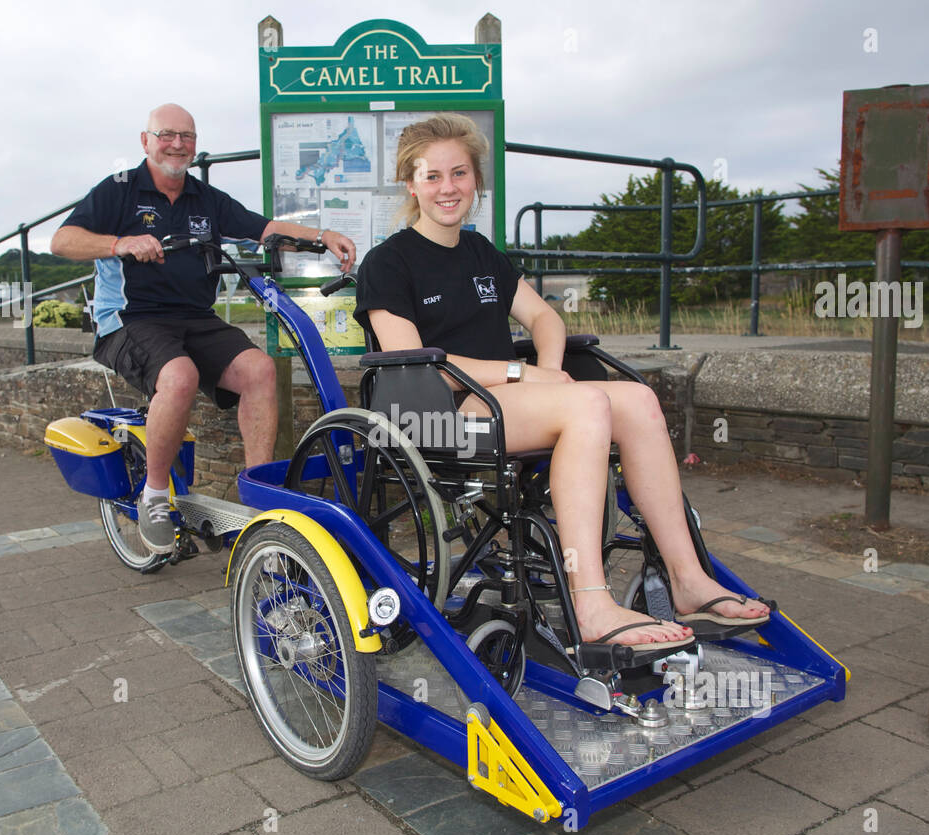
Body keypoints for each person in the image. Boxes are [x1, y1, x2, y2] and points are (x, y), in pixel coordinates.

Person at [353, 114, 770, 647]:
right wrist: (521, 372)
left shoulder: (482, 254)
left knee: (639, 400)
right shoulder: (387, 263)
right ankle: (591, 602)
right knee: (587, 405)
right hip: (439, 414)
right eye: (431, 176)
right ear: (410, 184)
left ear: (475, 179)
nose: (447, 187)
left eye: (458, 173)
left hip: (513, 402)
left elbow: (547, 319)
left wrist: (549, 370)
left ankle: (688, 579)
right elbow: (414, 359)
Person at [52, 103, 356, 554]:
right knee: (179, 377)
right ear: (146, 141)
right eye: (166, 135)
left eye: (187, 137)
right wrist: (120, 243)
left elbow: (264, 227)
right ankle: (155, 495)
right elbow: (62, 241)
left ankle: (260, 500)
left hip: (195, 319)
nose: (177, 144)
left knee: (259, 370)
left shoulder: (204, 198)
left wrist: (321, 235)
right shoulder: (118, 191)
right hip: (132, 319)